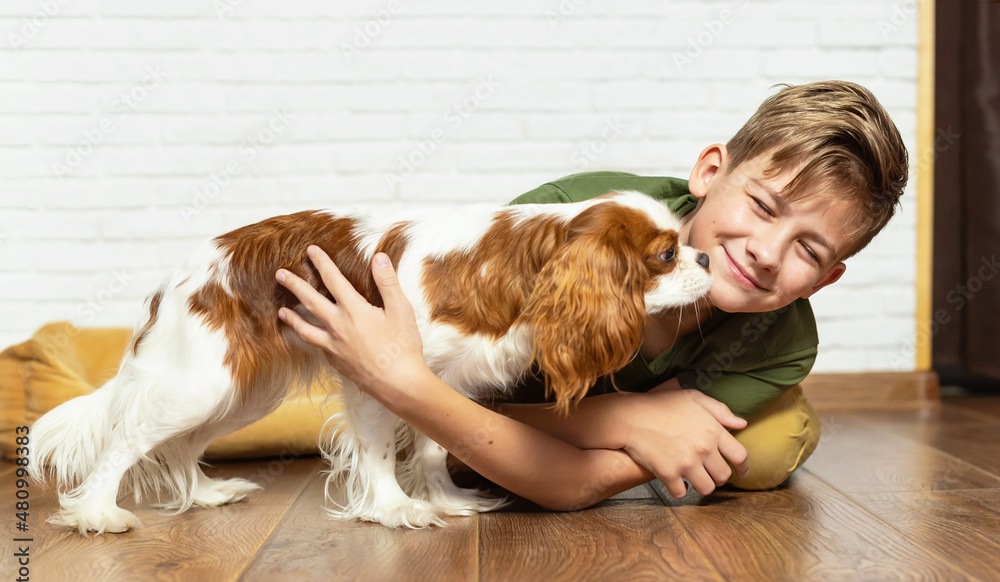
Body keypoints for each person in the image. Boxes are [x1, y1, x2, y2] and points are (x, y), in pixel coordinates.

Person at [274, 81, 908, 509]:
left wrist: (429, 404)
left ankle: (744, 411)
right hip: (473, 384)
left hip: (521, 410)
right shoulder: (562, 223)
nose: (765, 253)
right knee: (359, 406)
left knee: (766, 448)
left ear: (825, 281)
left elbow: (576, 485)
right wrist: (626, 418)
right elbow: (438, 394)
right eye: (763, 206)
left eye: (808, 251)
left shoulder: (782, 340)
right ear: (710, 172)